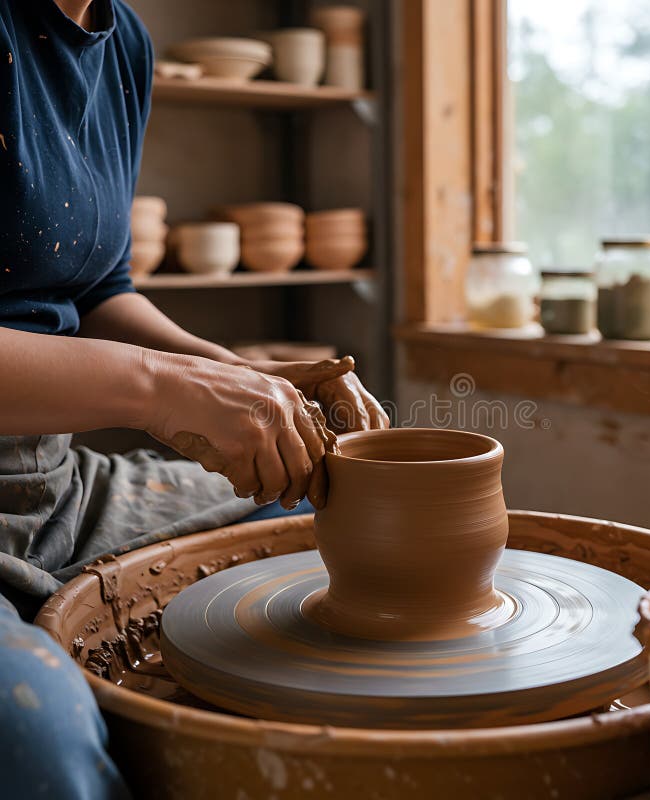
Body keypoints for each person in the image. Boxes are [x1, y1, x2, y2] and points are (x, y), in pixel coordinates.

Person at [0, 1, 389, 796]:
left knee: (320, 513)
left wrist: (236, 378)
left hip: (54, 489)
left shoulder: (125, 43)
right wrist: (159, 388)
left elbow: (99, 286)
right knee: (36, 738)